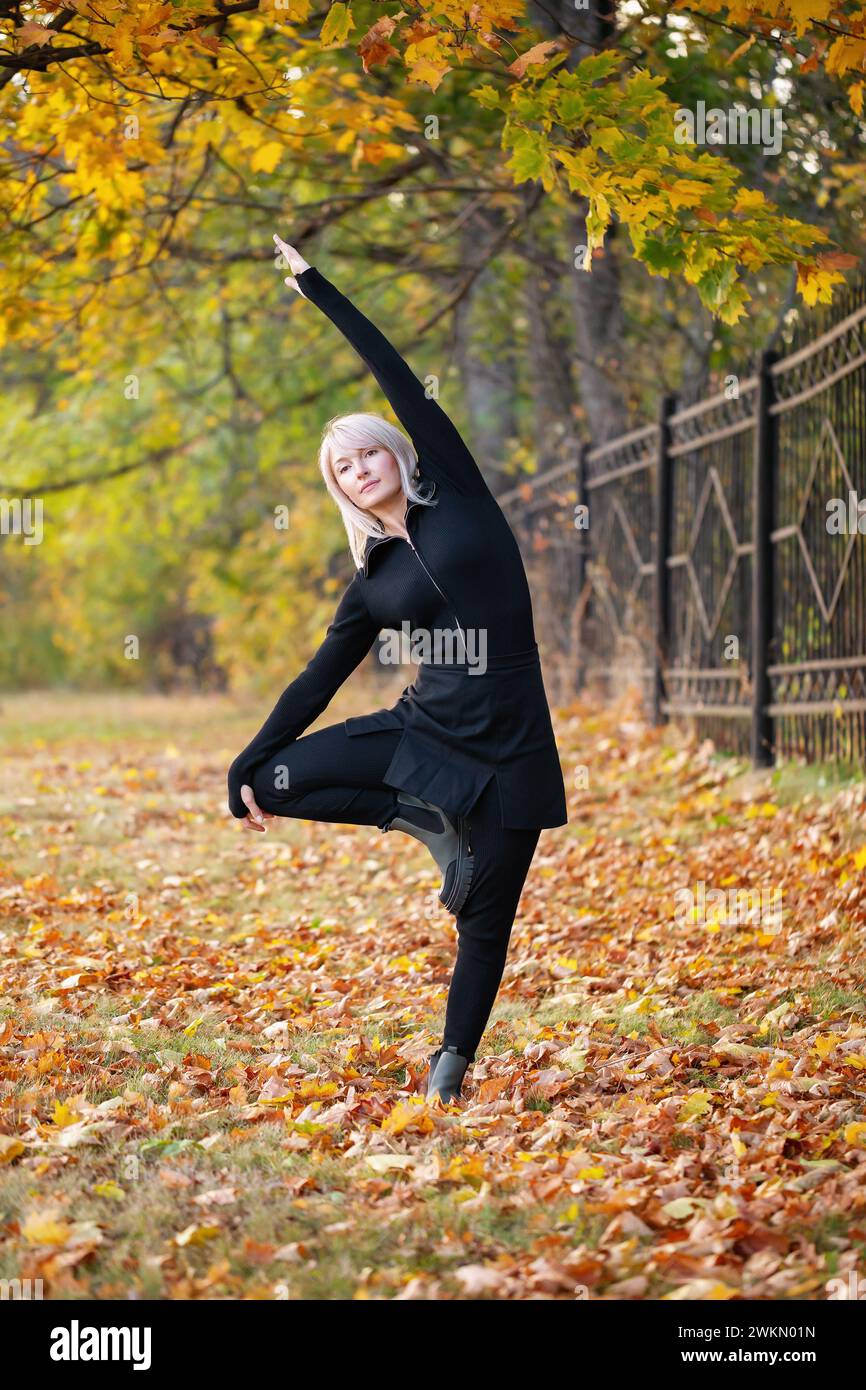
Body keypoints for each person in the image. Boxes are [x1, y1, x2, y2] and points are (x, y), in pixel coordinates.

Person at [227, 233, 568, 1103]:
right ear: (340, 489)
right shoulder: (372, 579)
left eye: (368, 452)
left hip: (512, 742)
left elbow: (397, 376)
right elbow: (318, 677)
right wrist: (244, 761)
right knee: (278, 775)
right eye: (343, 467)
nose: (360, 468)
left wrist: (318, 287)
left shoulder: (457, 490)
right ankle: (426, 823)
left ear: (397, 454)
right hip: (425, 733)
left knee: (485, 921)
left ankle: (448, 1077)